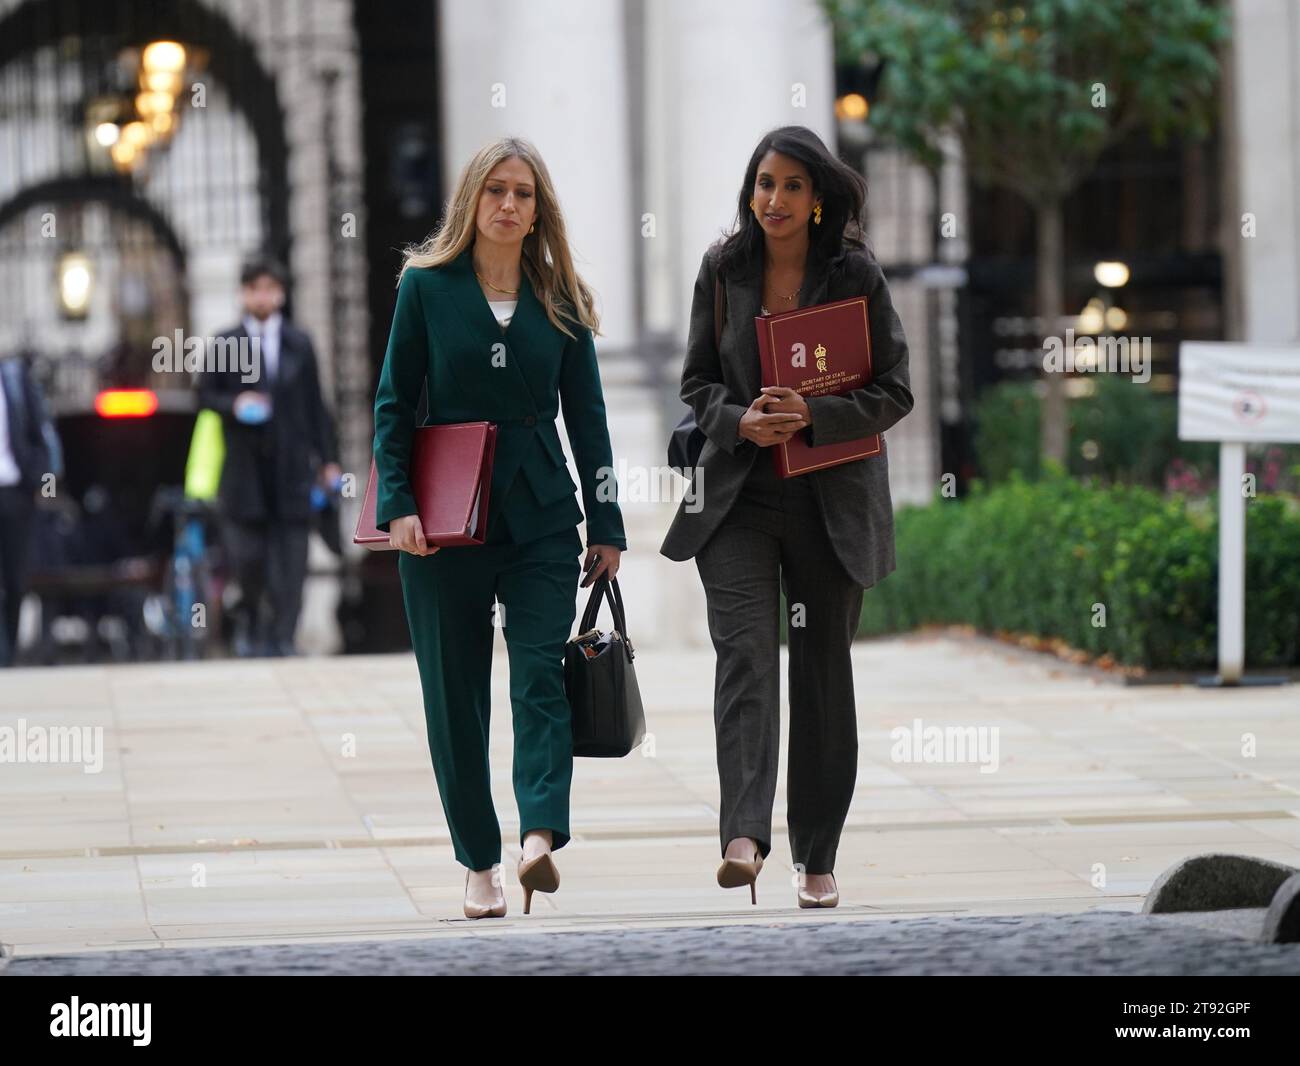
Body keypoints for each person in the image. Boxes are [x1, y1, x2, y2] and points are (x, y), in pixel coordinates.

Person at [660, 126, 914, 907]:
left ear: (817, 202)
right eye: (763, 183)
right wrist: (741, 420)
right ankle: (743, 834)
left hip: (829, 499)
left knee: (822, 673)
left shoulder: (856, 276)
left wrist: (814, 414)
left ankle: (818, 854)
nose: (772, 199)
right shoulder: (723, 269)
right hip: (738, 497)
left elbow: (894, 389)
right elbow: (697, 382)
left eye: (791, 187)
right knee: (745, 659)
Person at [373, 137, 626, 920]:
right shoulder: (426, 288)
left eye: (524, 194)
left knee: (541, 676)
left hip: (544, 518)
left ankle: (539, 837)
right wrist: (396, 505)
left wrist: (608, 522)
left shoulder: (563, 299)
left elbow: (589, 420)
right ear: (471, 202)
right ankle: (479, 861)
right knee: (455, 698)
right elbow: (393, 404)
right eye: (496, 191)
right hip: (446, 521)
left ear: (538, 210)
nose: (509, 205)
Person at [198, 256, 341, 657]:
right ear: (244, 293)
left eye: (269, 288)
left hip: (292, 468)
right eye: (254, 288)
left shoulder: (300, 342)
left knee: (292, 557)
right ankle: (254, 624)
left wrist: (328, 461)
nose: (262, 296)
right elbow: (204, 395)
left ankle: (283, 635)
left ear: (279, 293)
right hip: (245, 470)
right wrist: (235, 404)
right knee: (249, 557)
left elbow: (317, 406)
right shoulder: (226, 342)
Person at [0, 351, 62, 666]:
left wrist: (41, 482)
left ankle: (7, 653)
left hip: (14, 491)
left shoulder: (15, 379)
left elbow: (42, 433)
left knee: (14, 579)